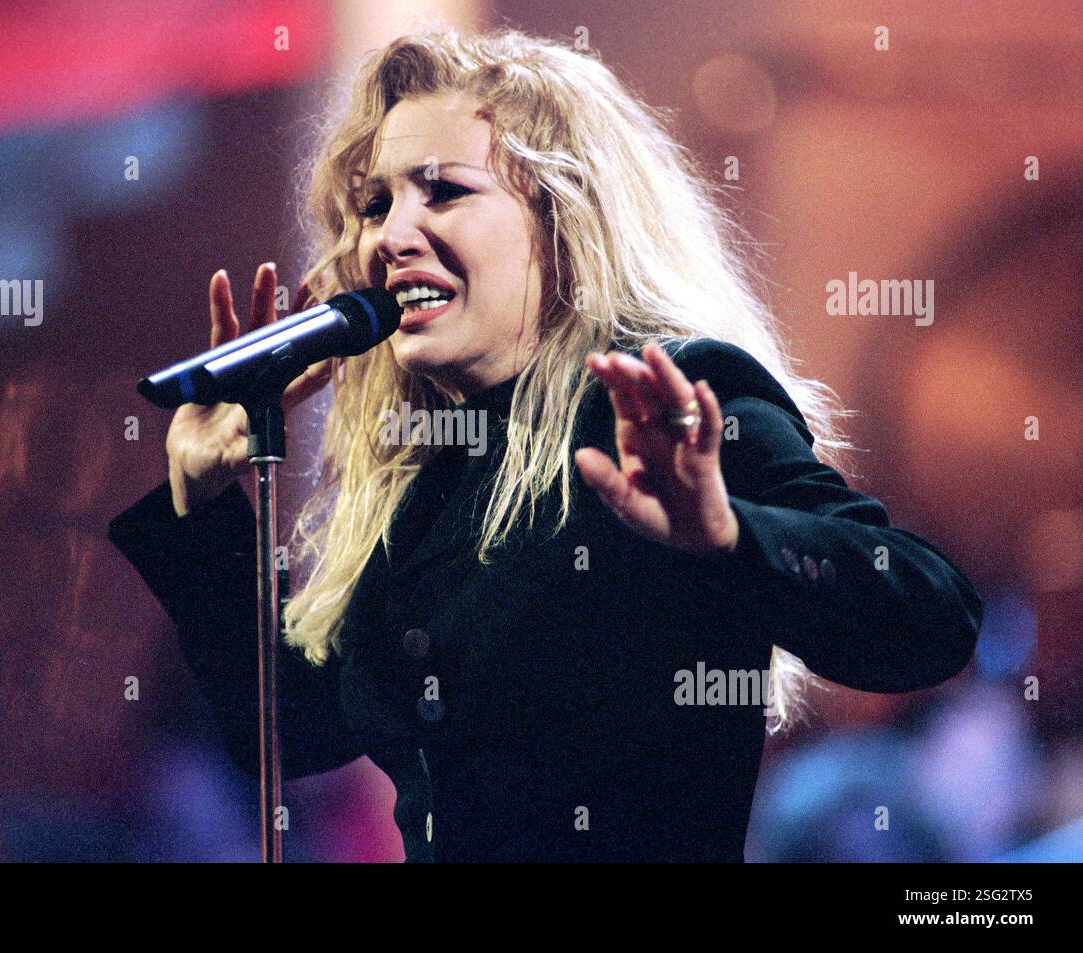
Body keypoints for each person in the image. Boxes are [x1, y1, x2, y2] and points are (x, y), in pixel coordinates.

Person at [107, 28, 983, 862]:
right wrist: (204, 502)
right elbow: (295, 728)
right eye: (375, 204)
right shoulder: (424, 480)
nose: (390, 235)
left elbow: (929, 614)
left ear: (562, 219)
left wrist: (728, 533)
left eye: (442, 190)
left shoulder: (660, 399)